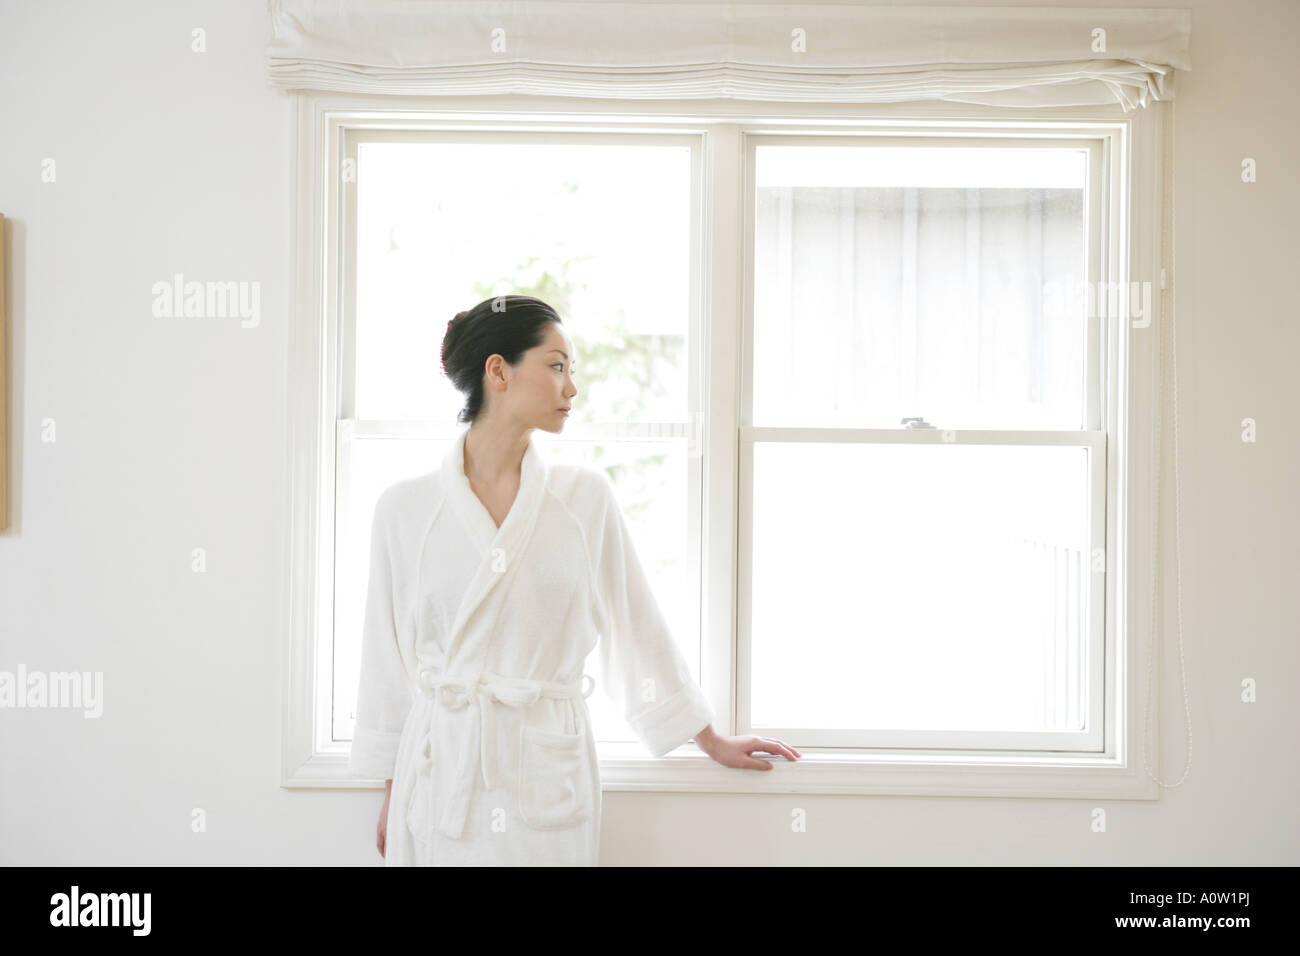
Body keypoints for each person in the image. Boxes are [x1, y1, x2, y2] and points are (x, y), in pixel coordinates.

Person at [349, 294, 800, 866]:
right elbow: (384, 664)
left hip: (544, 773)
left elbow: (634, 626)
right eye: (556, 365)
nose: (572, 388)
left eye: (572, 371)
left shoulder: (583, 501)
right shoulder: (404, 510)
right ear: (498, 371)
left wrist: (706, 736)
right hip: (440, 778)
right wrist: (395, 789)